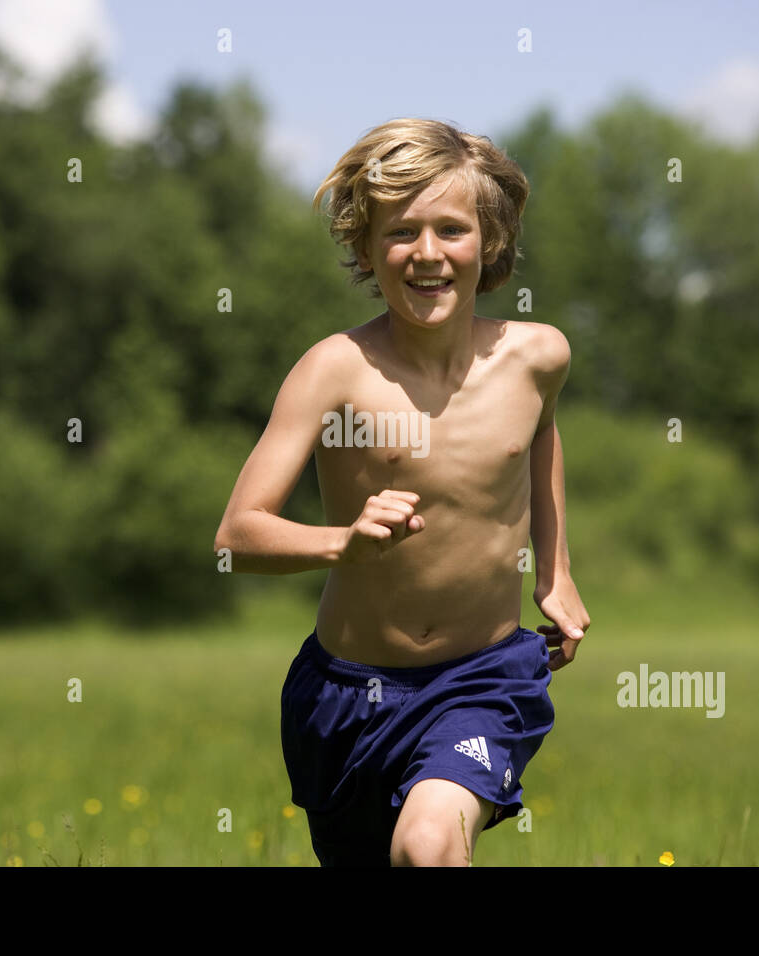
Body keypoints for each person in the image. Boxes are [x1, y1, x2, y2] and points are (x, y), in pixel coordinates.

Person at [214, 118, 590, 866]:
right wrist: (342, 541)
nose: (426, 254)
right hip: (347, 696)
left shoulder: (538, 357)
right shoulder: (334, 371)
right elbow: (237, 536)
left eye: (451, 229)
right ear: (364, 247)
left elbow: (538, 438)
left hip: (482, 678)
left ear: (489, 242)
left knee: (428, 845)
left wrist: (556, 572)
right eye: (400, 232)